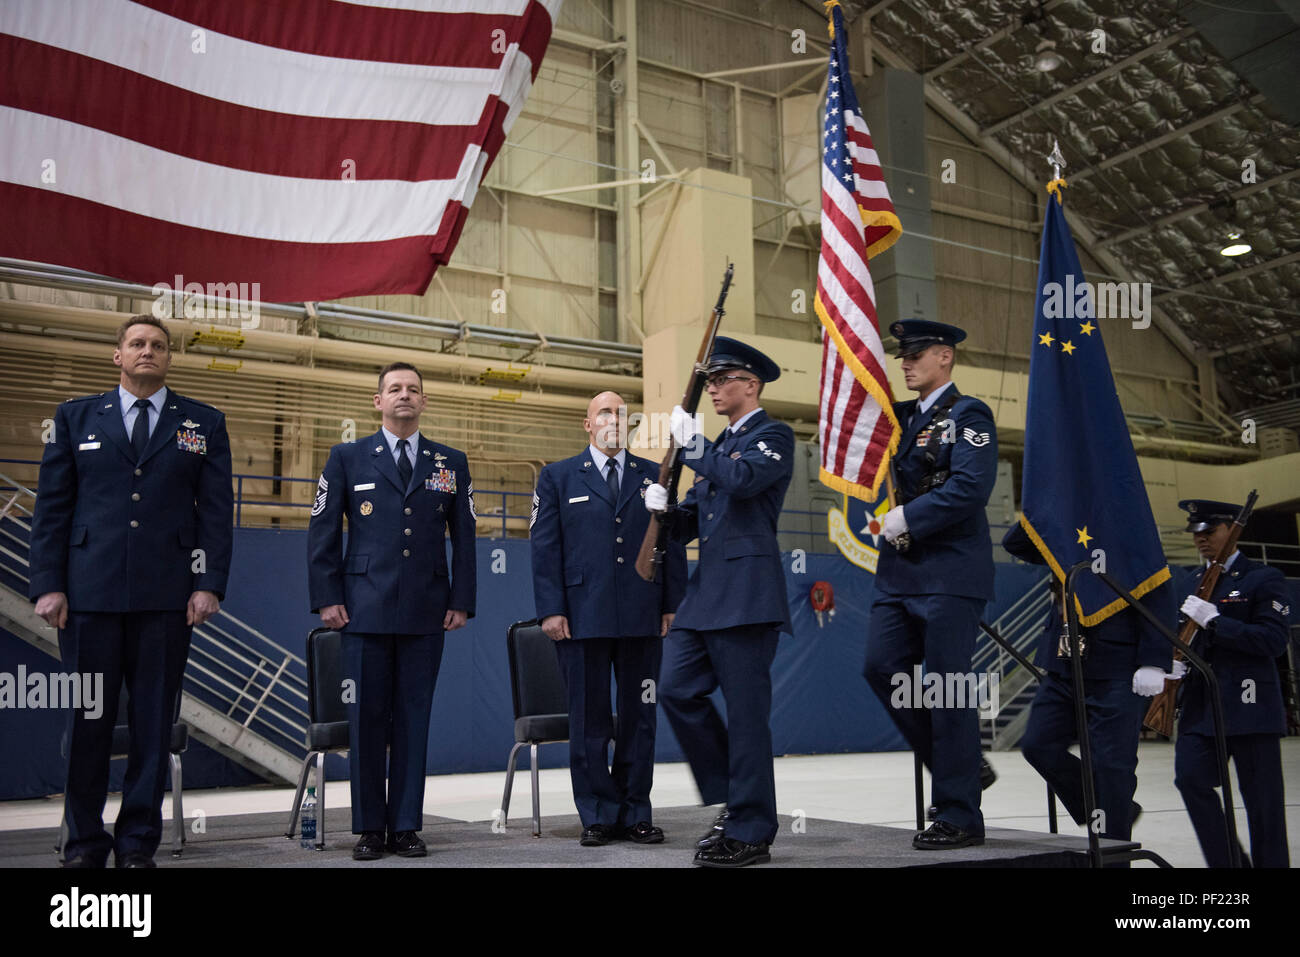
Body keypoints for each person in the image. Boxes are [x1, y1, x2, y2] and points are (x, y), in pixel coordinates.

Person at [29, 315, 233, 868]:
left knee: (151, 729)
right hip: (87, 599)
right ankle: (83, 844)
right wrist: (48, 584)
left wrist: (208, 583)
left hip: (167, 601)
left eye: (158, 345)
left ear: (169, 357)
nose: (148, 351)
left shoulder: (203, 423)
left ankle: (138, 844)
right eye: (137, 344)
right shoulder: (74, 418)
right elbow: (51, 510)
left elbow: (215, 514)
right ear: (117, 355)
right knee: (87, 725)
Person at [307, 362, 476, 860]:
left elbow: (464, 537)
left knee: (413, 719)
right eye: (394, 388)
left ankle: (404, 826)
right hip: (361, 611)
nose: (405, 395)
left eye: (413, 389)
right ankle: (369, 828)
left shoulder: (450, 462)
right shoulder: (347, 457)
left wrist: (462, 599)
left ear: (423, 402)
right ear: (377, 401)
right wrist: (327, 596)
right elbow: (321, 533)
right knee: (365, 721)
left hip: (427, 612)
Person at [644, 337, 793, 868]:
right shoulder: (717, 447)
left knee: (749, 719)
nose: (712, 387)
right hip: (706, 597)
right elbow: (694, 518)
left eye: (721, 379)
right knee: (678, 691)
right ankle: (735, 797)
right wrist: (663, 512)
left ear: (749, 385)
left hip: (749, 597)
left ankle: (751, 829)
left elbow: (746, 480)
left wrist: (698, 448)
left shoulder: (772, 436)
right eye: (709, 380)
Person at [863, 319, 998, 850]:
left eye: (917, 353)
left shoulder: (970, 414)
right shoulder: (900, 419)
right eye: (902, 354)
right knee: (879, 667)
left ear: (945, 356)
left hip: (949, 570)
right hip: (900, 574)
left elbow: (969, 488)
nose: (905, 362)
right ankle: (958, 764)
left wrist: (909, 518)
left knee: (947, 691)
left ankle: (960, 813)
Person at [529, 391, 686, 846]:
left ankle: (636, 812)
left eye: (620, 413)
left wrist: (672, 602)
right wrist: (551, 609)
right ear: (587, 424)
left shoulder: (654, 476)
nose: (613, 419)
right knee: (588, 718)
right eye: (604, 413)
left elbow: (671, 542)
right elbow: (544, 549)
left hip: (642, 615)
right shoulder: (556, 478)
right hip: (580, 617)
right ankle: (597, 814)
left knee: (640, 717)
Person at [1002, 524, 1173, 854]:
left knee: (1112, 768)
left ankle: (1113, 854)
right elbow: (1016, 544)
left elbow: (1157, 587)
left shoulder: (1126, 522)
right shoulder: (1065, 528)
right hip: (1064, 664)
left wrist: (1154, 658)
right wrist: (1045, 504)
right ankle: (1114, 806)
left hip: (1116, 666)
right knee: (1038, 746)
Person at [1172, 499, 1290, 868]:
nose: (1202, 540)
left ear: (1232, 531)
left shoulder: (1262, 578)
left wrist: (1218, 622)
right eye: (1197, 534)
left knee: (1262, 803)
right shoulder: (1191, 582)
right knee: (1190, 780)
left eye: (1210, 532)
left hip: (1250, 705)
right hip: (1201, 707)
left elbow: (1272, 640)